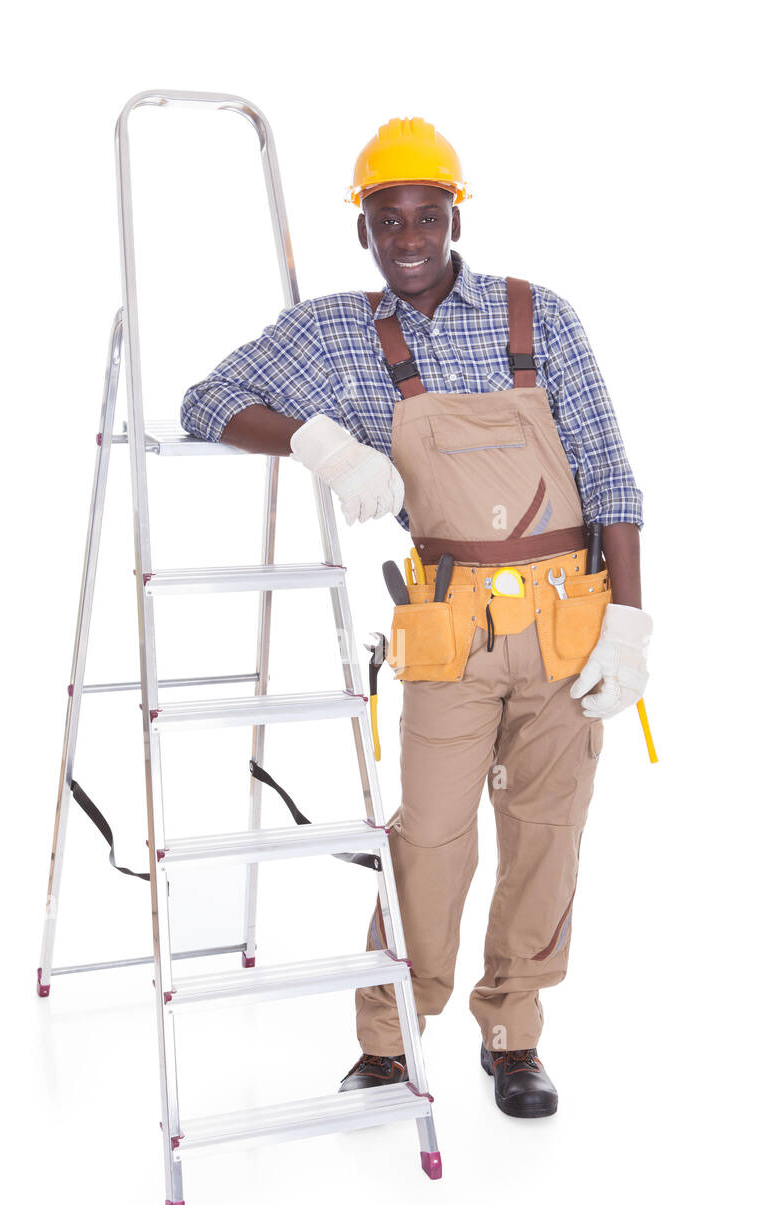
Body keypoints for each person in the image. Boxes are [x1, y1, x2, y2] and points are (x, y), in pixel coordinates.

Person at [181, 117, 651, 1119]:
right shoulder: (330, 335)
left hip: (570, 619)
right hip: (448, 620)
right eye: (385, 218)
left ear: (452, 217)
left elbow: (608, 469)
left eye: (424, 216)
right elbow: (204, 400)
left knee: (545, 834)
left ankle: (512, 1034)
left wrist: (631, 620)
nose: (406, 237)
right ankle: (392, 1040)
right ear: (361, 228)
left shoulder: (538, 317)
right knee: (429, 835)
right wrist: (318, 440)